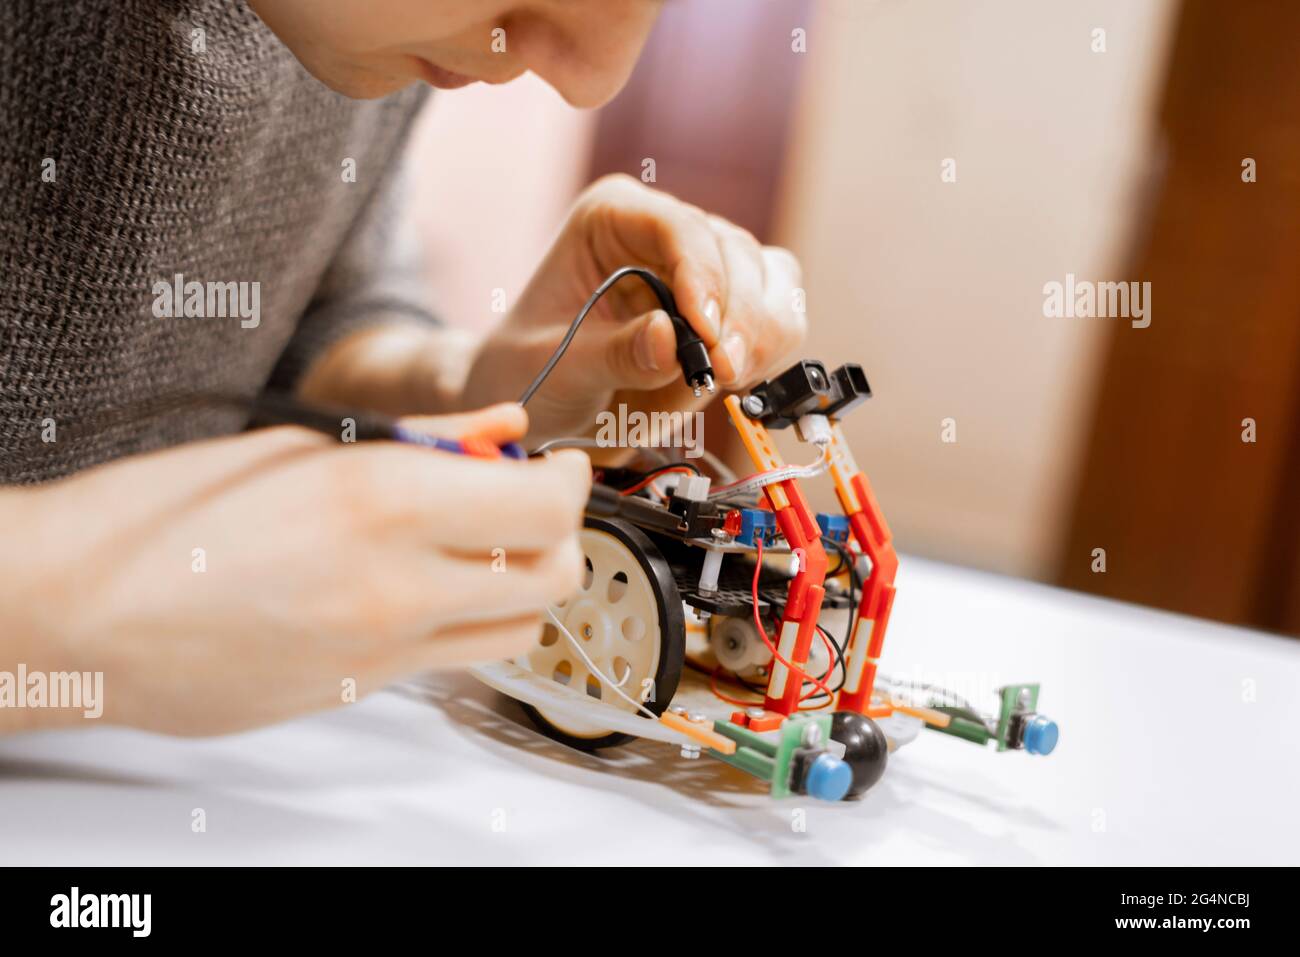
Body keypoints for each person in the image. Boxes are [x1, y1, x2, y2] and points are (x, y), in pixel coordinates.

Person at [0, 0, 806, 735]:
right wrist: (81, 611)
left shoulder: (366, 43)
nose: (593, 79)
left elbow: (302, 332)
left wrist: (474, 389)